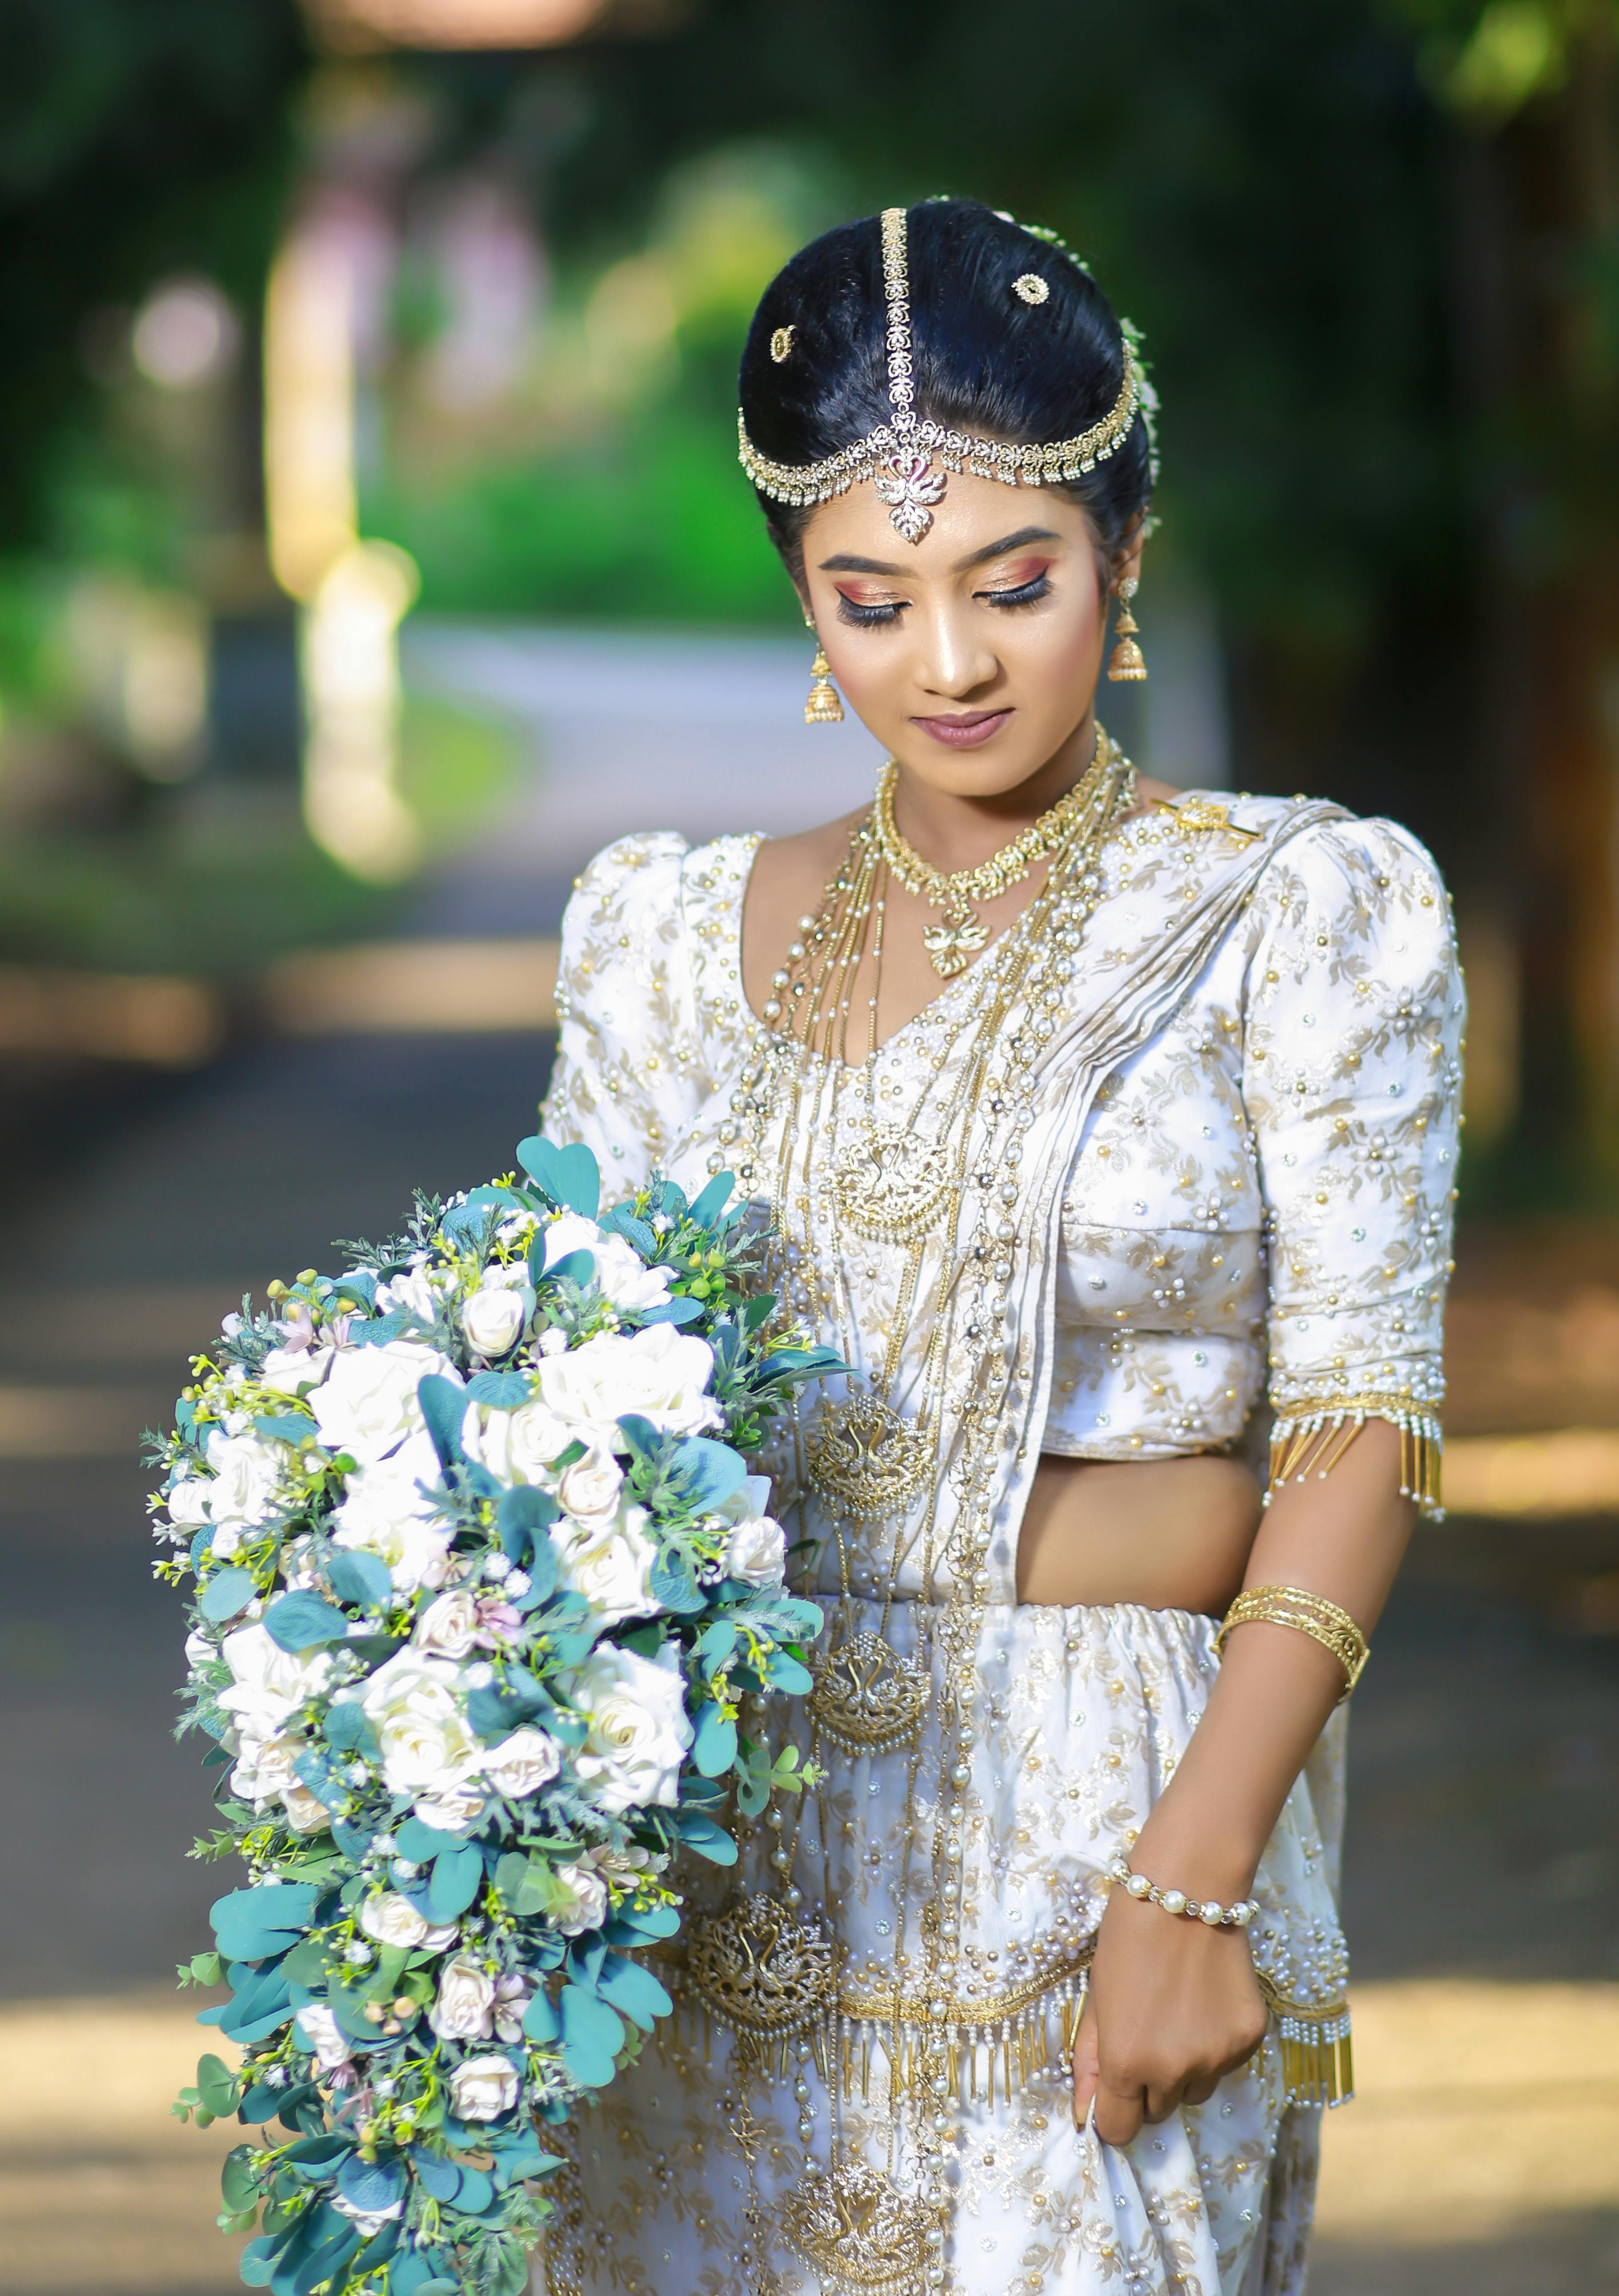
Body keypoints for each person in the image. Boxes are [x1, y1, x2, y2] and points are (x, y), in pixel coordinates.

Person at [534, 199, 1463, 2296]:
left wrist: (1197, 1884)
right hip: (703, 1903)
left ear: (1121, 553)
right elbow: (570, 1433)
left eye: (1010, 583)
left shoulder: (1296, 918)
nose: (945, 663)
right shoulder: (660, 941)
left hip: (1099, 1856)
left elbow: (1355, 1420)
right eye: (870, 601)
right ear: (804, 603)